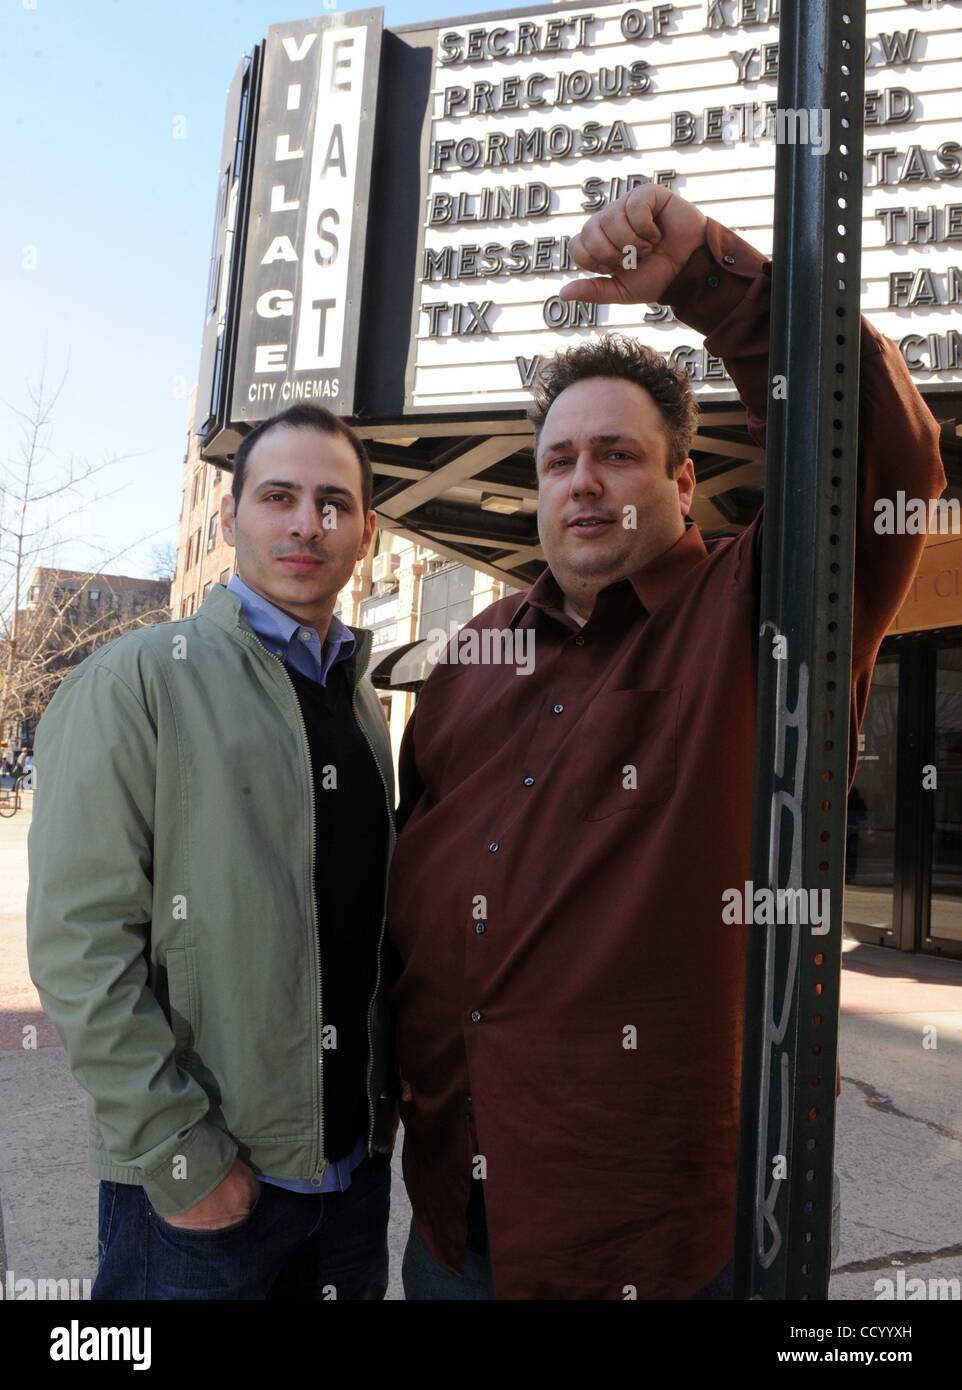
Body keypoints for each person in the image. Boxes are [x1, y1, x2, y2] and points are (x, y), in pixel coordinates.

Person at [387, 185, 946, 1299]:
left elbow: (888, 461)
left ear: (683, 482)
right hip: (455, 1223)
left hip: (661, 1237)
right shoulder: (468, 662)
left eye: (618, 456)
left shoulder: (765, 614)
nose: (583, 482)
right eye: (557, 463)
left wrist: (709, 278)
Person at [27, 404, 398, 1300]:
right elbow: (81, 946)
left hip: (348, 1183)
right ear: (228, 519)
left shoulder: (362, 705)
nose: (308, 523)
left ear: (366, 532)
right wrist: (180, 1154)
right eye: (279, 497)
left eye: (333, 502)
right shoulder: (134, 681)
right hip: (205, 1195)